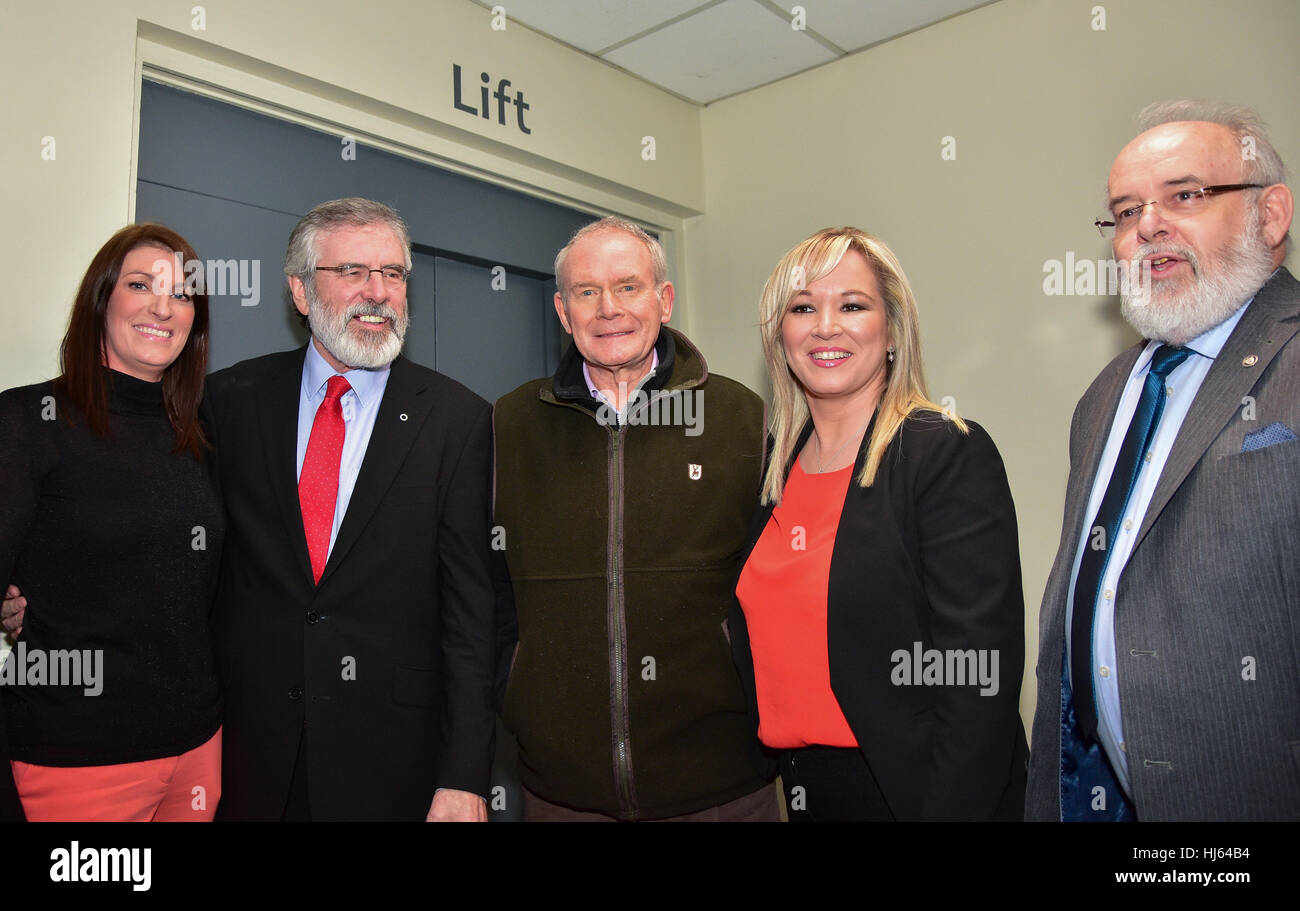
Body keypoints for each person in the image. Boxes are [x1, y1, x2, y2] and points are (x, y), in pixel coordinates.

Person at [1026, 100, 1299, 821]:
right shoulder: (1107, 396)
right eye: (1124, 211)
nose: (1148, 225)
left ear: (1269, 216)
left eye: (1186, 195)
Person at [201, 198, 501, 821]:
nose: (379, 292)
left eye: (393, 274)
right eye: (353, 272)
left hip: (395, 764)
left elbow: (474, 615)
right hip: (249, 754)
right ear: (301, 292)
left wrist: (466, 776)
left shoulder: (458, 420)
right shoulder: (231, 400)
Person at [730, 226, 1028, 821]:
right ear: (780, 334)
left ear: (892, 330)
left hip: (918, 795)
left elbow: (979, 681)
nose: (825, 326)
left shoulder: (940, 451)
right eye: (803, 307)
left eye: (853, 305)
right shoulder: (774, 468)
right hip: (805, 790)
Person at [492, 217, 778, 821]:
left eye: (628, 286)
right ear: (563, 313)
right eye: (585, 292)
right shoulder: (510, 425)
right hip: (562, 792)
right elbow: (483, 593)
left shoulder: (738, 417)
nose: (608, 309)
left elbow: (778, 588)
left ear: (664, 300)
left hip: (723, 785)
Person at [0, 224, 223, 821]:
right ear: (102, 300)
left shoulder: (202, 438)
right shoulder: (26, 421)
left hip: (197, 754)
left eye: (181, 294)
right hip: (74, 761)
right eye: (141, 284)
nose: (161, 306)